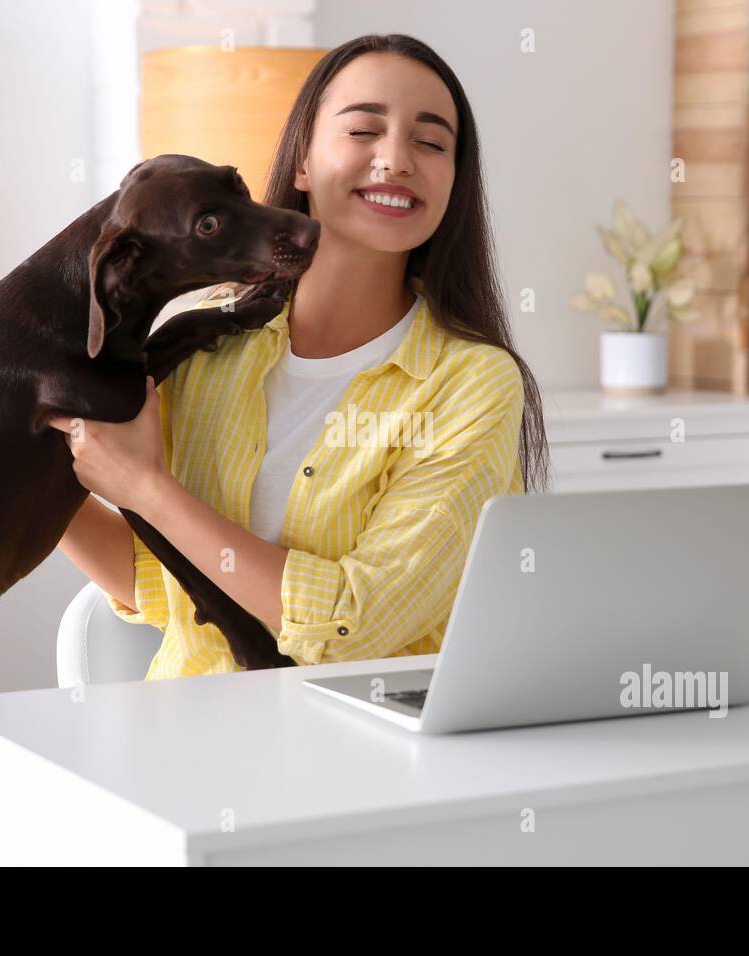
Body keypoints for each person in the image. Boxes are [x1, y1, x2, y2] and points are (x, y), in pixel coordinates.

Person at [52, 33, 550, 679]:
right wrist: (28, 462)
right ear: (303, 163)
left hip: (367, 763)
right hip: (182, 739)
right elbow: (169, 587)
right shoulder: (204, 347)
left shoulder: (472, 385)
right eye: (364, 130)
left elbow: (356, 624)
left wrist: (147, 489)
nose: (396, 159)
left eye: (430, 142)